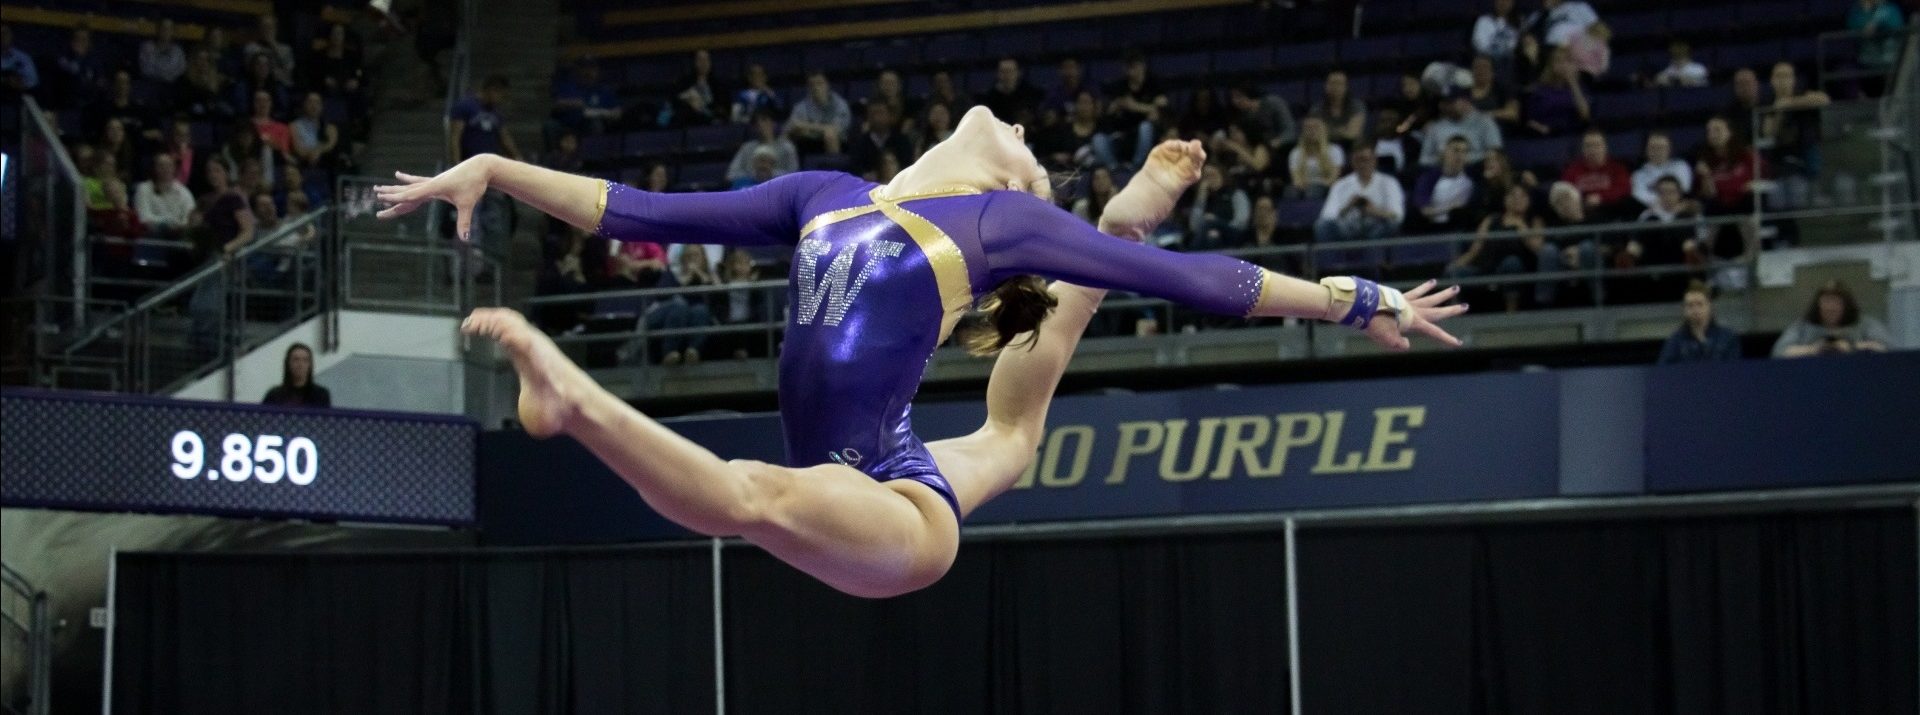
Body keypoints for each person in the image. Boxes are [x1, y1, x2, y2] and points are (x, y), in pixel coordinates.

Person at [374, 108, 1464, 598]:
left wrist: (1354, 297)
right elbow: (636, 209)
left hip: (892, 508)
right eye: (1023, 133)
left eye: (1030, 146)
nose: (1018, 131)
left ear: (1018, 182)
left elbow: (1204, 285)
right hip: (888, 480)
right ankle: (1120, 224)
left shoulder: (1000, 223)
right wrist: (495, 170)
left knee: (751, 494)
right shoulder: (824, 195)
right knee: (1014, 436)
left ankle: (575, 405)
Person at [1449, 184, 1549, 312]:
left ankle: (1511, 313)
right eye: (1513, 196)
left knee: (1512, 263)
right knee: (1455, 272)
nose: (1517, 199)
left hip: (1518, 269)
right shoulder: (1492, 219)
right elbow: (1475, 249)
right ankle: (1455, 312)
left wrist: (1521, 227)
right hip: (1486, 267)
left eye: (1522, 196)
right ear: (1505, 199)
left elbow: (1537, 248)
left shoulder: (1534, 221)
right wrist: (1457, 264)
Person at [1771, 280, 1893, 357]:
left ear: (1846, 305)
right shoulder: (1802, 327)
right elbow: (1779, 352)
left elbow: (1888, 349)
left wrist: (1852, 347)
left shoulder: (1865, 325)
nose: (1831, 308)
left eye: (1836, 303)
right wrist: (1814, 349)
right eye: (1826, 302)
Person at [1314, 145, 1404, 244]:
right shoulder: (1340, 185)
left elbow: (1397, 216)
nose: (1363, 164)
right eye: (1359, 160)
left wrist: (1374, 211)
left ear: (1374, 161)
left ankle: (1373, 252)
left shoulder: (1389, 182)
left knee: (1390, 225)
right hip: (1348, 229)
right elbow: (1328, 216)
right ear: (1353, 162)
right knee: (1322, 226)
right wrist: (1348, 206)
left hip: (1376, 227)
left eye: (1366, 160)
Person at [1411, 136, 1484, 233]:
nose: (1460, 155)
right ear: (1445, 152)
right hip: (1430, 228)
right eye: (1456, 150)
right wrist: (1450, 207)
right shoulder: (1429, 178)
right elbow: (1424, 210)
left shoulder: (1472, 181)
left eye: (1464, 152)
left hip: (1459, 228)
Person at [1657, 282, 1742, 363]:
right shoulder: (1675, 341)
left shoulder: (1727, 338)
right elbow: (1664, 370)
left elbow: (1734, 370)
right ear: (1684, 310)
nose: (1695, 310)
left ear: (1709, 307)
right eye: (1690, 305)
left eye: (1700, 304)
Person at [1420, 88, 1503, 167]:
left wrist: (1464, 158)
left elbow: (1495, 153)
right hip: (1442, 170)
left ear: (1465, 101)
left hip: (1476, 169)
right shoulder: (1435, 127)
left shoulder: (1484, 122)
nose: (1445, 106)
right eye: (1443, 102)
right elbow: (1423, 160)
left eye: (1450, 102)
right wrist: (1439, 159)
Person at [1561, 129, 1631, 218]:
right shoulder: (1572, 171)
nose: (1592, 150)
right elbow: (1565, 191)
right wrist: (1584, 200)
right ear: (1582, 149)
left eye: (1597, 145)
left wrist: (1601, 197)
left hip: (1611, 212)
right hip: (1581, 213)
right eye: (1588, 146)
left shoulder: (1617, 169)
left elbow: (1624, 189)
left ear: (1605, 147)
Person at [1523, 47, 1591, 136]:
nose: (1564, 65)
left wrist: (1573, 82)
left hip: (1572, 135)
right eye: (1559, 61)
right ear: (1551, 65)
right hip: (1544, 136)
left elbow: (1585, 115)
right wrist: (1542, 129)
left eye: (1568, 61)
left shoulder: (1579, 88)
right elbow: (1530, 120)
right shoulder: (1540, 90)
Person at [1847, 0, 1907, 95]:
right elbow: (1852, 25)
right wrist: (1865, 12)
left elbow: (1897, 25)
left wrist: (1878, 27)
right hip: (1866, 61)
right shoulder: (1858, 10)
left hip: (1890, 59)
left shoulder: (1891, 9)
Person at [785, 71, 852, 155]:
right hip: (808, 141)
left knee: (830, 134)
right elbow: (793, 125)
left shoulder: (840, 104)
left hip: (837, 142)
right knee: (788, 136)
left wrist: (806, 126)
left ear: (827, 85)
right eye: (811, 84)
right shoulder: (801, 106)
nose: (815, 87)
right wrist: (798, 129)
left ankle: (833, 162)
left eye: (819, 83)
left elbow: (836, 129)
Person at [728, 111, 799, 187]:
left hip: (778, 188)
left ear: (774, 123)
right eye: (757, 122)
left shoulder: (787, 147)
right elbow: (731, 174)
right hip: (751, 188)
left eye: (764, 120)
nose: (760, 124)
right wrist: (755, 174)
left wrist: (771, 173)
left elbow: (794, 176)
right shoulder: (747, 147)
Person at [1187, 165, 1250, 249]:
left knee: (1209, 223)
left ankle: (1191, 252)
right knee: (1212, 236)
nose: (1210, 179)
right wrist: (1201, 197)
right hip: (1210, 236)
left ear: (1222, 176)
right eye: (1206, 177)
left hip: (1234, 233)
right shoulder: (1204, 199)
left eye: (1213, 175)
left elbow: (1240, 223)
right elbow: (1193, 226)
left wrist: (1216, 223)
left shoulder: (1236, 194)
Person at [848, 102, 915, 178]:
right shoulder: (860, 142)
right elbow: (854, 168)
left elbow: (908, 165)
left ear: (889, 116)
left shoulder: (901, 140)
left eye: (880, 113)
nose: (877, 118)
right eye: (873, 114)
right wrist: (865, 175)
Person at [135, 154, 196, 236]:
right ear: (154, 168)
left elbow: (189, 218)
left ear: (174, 168)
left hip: (179, 236)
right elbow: (143, 217)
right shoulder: (143, 189)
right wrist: (168, 224)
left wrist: (178, 227)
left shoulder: (184, 192)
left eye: (169, 165)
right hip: (151, 236)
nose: (165, 169)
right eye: (161, 165)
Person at [1631, 132, 1694, 211]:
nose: (1657, 151)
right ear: (1646, 150)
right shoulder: (1638, 175)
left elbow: (1684, 189)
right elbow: (1639, 195)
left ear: (1669, 149)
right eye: (1653, 147)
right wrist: (1664, 202)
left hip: (1680, 210)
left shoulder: (1681, 167)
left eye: (1661, 147)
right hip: (1652, 211)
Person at [1226, 82, 1298, 151]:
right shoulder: (1244, 115)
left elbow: (1291, 132)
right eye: (1232, 98)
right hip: (1259, 151)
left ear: (1248, 94)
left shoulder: (1273, 103)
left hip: (1283, 149)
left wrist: (1273, 144)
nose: (1235, 101)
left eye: (1238, 96)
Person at [1286, 116, 1346, 199]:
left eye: (1316, 127)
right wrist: (1302, 185)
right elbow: (1296, 178)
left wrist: (1316, 184)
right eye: (1308, 128)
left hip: (1326, 186)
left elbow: (1333, 178)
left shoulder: (1335, 150)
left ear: (1324, 130)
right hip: (1304, 186)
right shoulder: (1296, 152)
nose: (1312, 131)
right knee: (1290, 191)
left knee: (1313, 191)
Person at [1308, 70, 1366, 146]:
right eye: (1332, 83)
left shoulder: (1357, 106)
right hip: (1324, 148)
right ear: (1326, 86)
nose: (1335, 87)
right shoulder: (1316, 109)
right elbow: (1314, 134)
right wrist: (1342, 131)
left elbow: (1352, 134)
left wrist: (1326, 131)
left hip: (1351, 148)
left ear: (1346, 87)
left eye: (1339, 83)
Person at [263, 343, 332, 407]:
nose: (300, 365)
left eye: (305, 360)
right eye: (296, 360)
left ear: (310, 365)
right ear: (288, 364)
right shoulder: (274, 395)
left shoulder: (321, 395)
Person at [981, 58, 1043, 126]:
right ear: (997, 74)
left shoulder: (1030, 94)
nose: (1006, 75)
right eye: (1003, 71)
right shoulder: (989, 98)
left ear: (1018, 73)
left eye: (1010, 71)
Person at [1473, 0, 1525, 66]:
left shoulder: (1518, 24)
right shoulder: (1484, 20)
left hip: (1509, 63)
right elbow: (1479, 45)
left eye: (1507, 1)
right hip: (1486, 61)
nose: (1503, 2)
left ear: (1512, 3)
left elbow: (1516, 47)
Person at [139, 18, 186, 83]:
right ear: (158, 30)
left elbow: (180, 70)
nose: (166, 31)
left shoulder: (178, 51)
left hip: (171, 85)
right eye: (163, 28)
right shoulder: (147, 47)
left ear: (173, 31)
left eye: (169, 29)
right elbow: (146, 69)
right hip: (150, 83)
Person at [0, 24, 38, 94]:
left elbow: (32, 81)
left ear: (11, 36)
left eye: (5, 33)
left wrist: (20, 83)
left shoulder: (22, 58)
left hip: (14, 94)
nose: (2, 37)